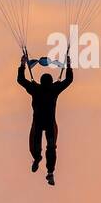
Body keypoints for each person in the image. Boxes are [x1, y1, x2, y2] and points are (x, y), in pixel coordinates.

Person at [17, 48, 73, 185]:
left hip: (38, 122)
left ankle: (37, 158)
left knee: (36, 143)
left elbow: (20, 79)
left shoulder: (35, 89)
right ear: (51, 82)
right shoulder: (54, 89)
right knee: (51, 147)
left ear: (41, 82)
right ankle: (50, 172)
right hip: (49, 123)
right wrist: (69, 65)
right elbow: (69, 79)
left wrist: (22, 64)